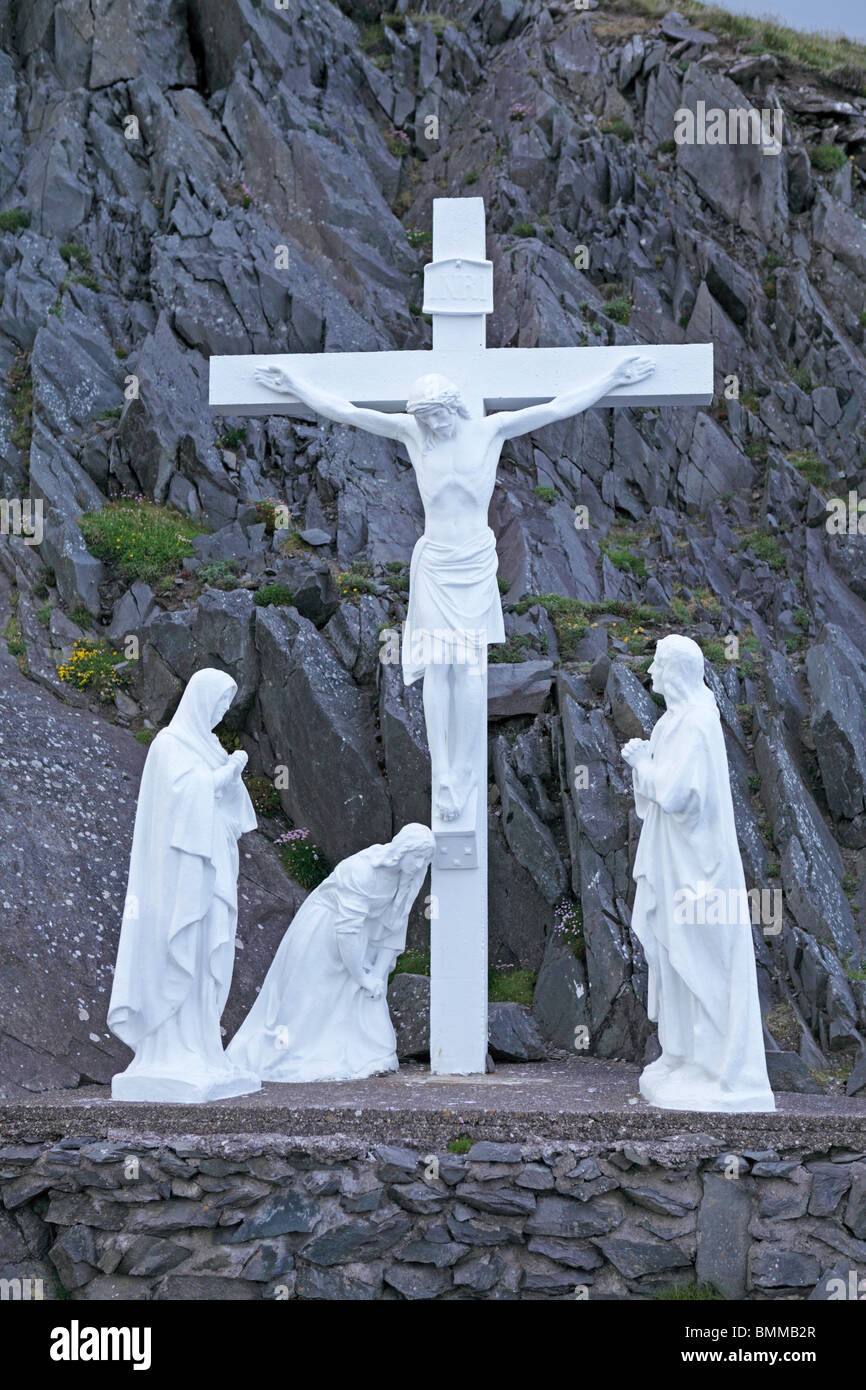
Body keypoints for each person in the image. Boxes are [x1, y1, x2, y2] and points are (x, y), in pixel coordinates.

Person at [256, 354, 654, 822]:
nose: (434, 428)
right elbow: (348, 411)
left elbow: (558, 407)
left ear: (454, 407)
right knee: (436, 668)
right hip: (435, 566)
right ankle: (442, 772)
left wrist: (611, 378)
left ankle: (464, 768)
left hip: (474, 564)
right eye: (425, 420)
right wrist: (295, 385)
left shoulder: (490, 431)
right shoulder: (413, 434)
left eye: (438, 417)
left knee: (468, 667)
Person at [622, 635, 775, 1113]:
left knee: (700, 960)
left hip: (698, 871)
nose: (650, 674)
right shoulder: (674, 721)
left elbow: (682, 795)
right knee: (673, 960)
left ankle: (714, 1065)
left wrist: (642, 765)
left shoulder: (697, 721)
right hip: (675, 861)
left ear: (678, 672)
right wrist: (646, 766)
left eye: (658, 666)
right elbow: (661, 799)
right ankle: (683, 1054)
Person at [108, 668, 260, 1102]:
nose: (220, 714)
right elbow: (179, 801)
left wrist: (229, 776)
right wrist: (223, 776)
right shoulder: (169, 745)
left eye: (225, 708)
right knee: (184, 947)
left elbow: (236, 818)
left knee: (207, 954)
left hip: (212, 868)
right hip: (178, 877)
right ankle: (173, 1049)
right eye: (216, 705)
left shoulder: (209, 746)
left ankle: (203, 1046)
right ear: (198, 701)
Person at [227, 824, 435, 1083]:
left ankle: (366, 1057)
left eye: (425, 859)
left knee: (365, 999)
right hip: (325, 933)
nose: (419, 865)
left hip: (363, 939)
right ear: (402, 851)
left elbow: (396, 925)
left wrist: (377, 975)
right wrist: (361, 975)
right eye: (417, 857)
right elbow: (346, 932)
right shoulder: (362, 871)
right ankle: (293, 1054)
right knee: (311, 1000)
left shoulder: (409, 878)